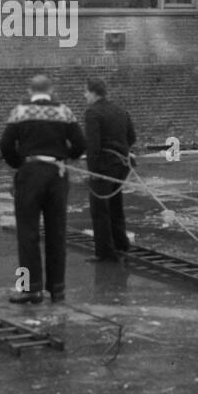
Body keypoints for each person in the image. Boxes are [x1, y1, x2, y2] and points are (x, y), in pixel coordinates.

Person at [0, 74, 86, 304]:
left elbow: (5, 145)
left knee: (27, 233)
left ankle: (30, 289)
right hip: (57, 175)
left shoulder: (20, 112)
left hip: (30, 174)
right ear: (52, 90)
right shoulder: (64, 112)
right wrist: (65, 157)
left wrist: (19, 164)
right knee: (57, 232)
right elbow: (80, 144)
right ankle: (58, 289)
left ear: (30, 91)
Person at [83, 78, 136, 262]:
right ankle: (121, 243)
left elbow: (93, 146)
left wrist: (93, 172)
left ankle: (105, 253)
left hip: (103, 167)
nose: (85, 95)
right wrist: (119, 151)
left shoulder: (92, 113)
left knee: (100, 210)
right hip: (121, 166)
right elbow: (132, 137)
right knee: (115, 205)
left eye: (86, 92)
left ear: (93, 93)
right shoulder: (120, 110)